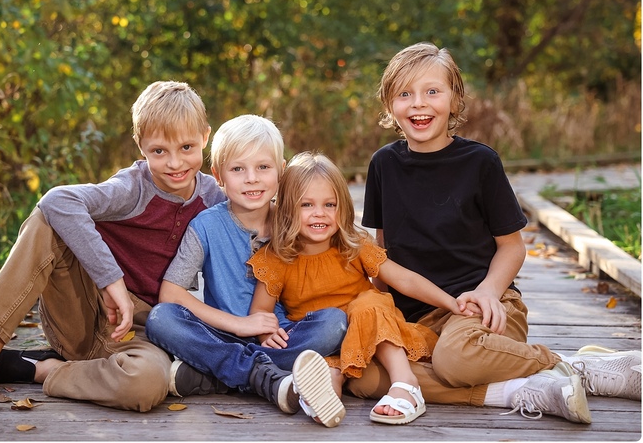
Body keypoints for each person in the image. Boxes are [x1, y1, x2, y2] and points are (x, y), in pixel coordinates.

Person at [0, 82, 225, 423]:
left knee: (147, 385)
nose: (174, 163)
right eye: (158, 151)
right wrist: (113, 282)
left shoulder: (214, 199)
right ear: (140, 146)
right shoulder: (132, 188)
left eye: (186, 147)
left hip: (143, 335)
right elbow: (57, 200)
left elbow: (265, 213)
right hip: (80, 313)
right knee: (47, 221)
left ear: (205, 137)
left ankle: (43, 369)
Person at [353, 42, 641, 424]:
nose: (418, 104)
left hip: (484, 309)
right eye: (405, 94)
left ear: (454, 101)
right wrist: (382, 316)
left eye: (432, 92)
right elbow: (384, 250)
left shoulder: (480, 163)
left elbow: (512, 248)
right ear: (390, 106)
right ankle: (519, 388)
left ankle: (572, 365)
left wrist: (489, 291)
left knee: (455, 358)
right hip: (418, 318)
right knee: (360, 373)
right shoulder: (383, 165)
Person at [145, 115, 348, 427]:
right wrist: (240, 324)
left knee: (333, 323)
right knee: (161, 319)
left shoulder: (294, 222)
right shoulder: (206, 226)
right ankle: (264, 377)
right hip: (220, 335)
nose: (251, 179)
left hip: (280, 338)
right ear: (218, 175)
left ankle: (218, 376)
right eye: (238, 169)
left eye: (263, 168)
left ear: (281, 171)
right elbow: (170, 295)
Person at [248, 151, 474, 426]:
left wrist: (452, 303)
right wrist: (266, 333)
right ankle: (325, 399)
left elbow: (404, 279)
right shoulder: (277, 258)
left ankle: (406, 382)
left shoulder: (354, 246)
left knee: (369, 302)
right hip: (328, 343)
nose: (320, 213)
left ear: (342, 207)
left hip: (373, 331)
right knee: (328, 368)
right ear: (286, 209)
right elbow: (260, 311)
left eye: (329, 204)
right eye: (306, 204)